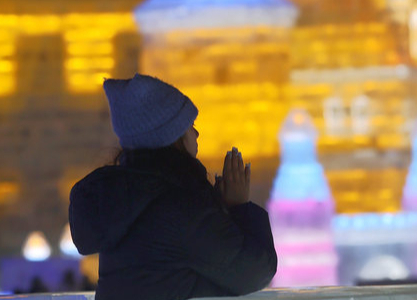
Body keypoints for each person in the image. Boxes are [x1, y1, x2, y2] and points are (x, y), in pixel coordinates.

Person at [69, 74, 277, 300]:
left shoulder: (123, 201)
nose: (196, 134)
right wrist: (238, 208)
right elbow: (254, 271)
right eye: (190, 126)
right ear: (172, 137)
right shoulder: (178, 210)